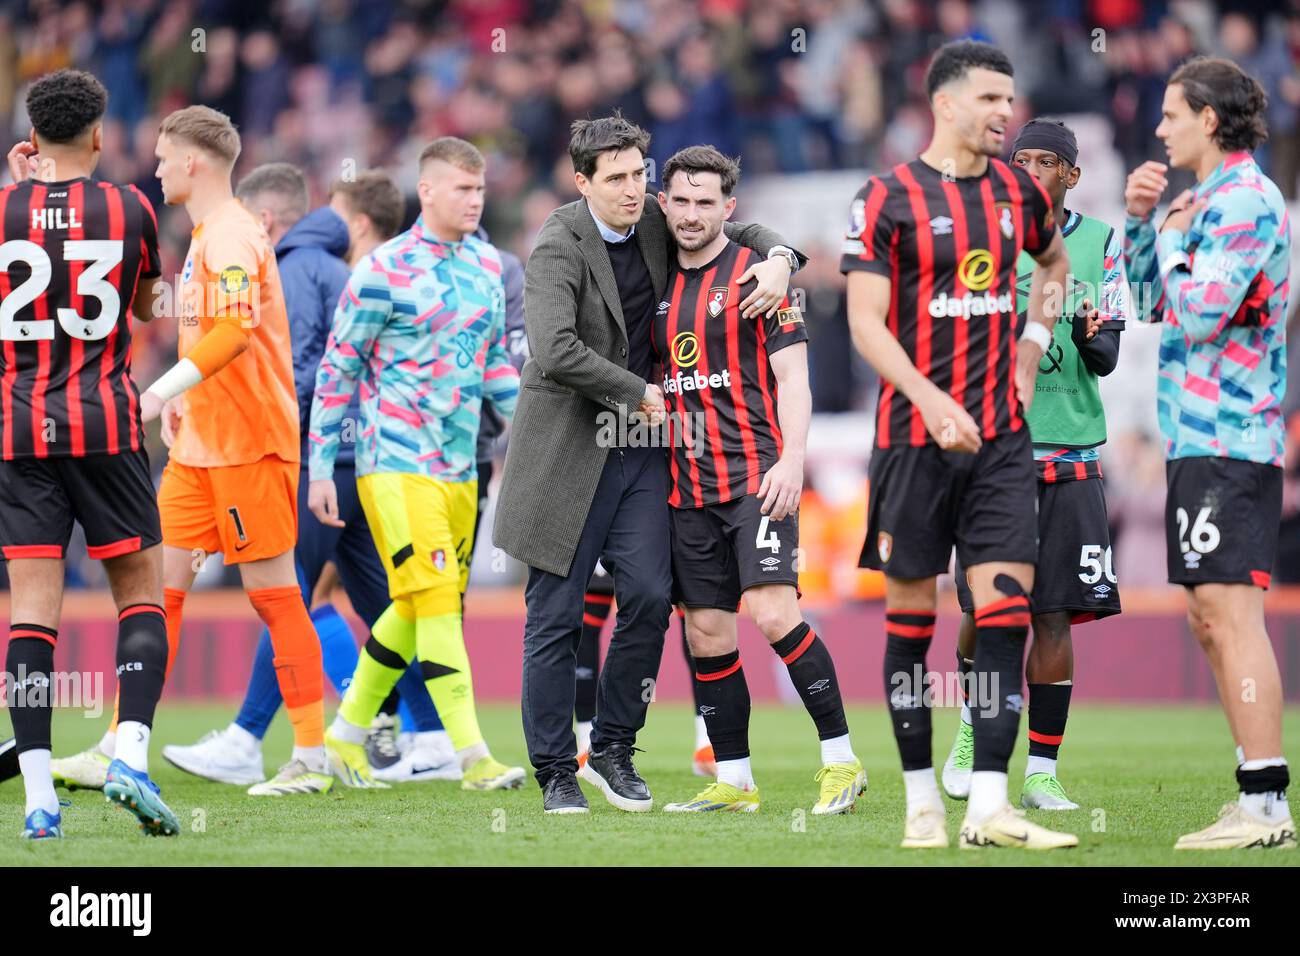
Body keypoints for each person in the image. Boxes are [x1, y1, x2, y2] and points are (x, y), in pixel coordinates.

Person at [493, 112, 802, 815]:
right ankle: (554, 772)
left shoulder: (657, 220)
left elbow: (739, 227)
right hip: (568, 452)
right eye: (619, 179)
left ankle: (612, 749)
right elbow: (552, 348)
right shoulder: (557, 243)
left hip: (639, 451)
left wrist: (782, 257)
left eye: (642, 175)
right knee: (556, 615)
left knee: (651, 597)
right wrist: (641, 391)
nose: (638, 191)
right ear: (582, 182)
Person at [842, 40, 1077, 850]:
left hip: (1002, 443)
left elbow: (1054, 261)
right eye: (990, 100)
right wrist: (930, 398)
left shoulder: (1019, 191)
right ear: (944, 104)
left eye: (1010, 101)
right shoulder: (888, 197)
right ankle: (920, 805)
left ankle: (988, 805)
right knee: (913, 617)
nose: (1005, 115)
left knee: (1005, 609)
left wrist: (1031, 348)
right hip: (912, 440)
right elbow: (864, 323)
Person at [159, 166, 458, 789]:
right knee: (382, 600)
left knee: (292, 595)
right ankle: (429, 733)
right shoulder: (349, 270)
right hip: (364, 456)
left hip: (314, 457)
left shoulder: (292, 267)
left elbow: (293, 371)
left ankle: (253, 737)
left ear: (267, 223)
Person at [308, 137, 524, 791]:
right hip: (394, 461)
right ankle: (471, 756)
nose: (474, 199)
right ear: (425, 192)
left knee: (411, 602)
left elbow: (490, 364)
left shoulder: (490, 267)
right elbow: (337, 370)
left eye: (479, 189)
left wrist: (531, 427)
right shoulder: (381, 271)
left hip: (461, 468)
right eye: (462, 188)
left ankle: (344, 738)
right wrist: (321, 466)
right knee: (435, 604)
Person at [651, 145, 862, 814]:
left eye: (705, 202)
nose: (691, 214)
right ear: (664, 204)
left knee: (773, 613)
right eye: (680, 201)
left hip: (755, 477)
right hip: (686, 488)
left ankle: (842, 761)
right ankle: (735, 780)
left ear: (729, 209)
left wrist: (793, 459)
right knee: (707, 633)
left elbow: (794, 377)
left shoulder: (762, 278)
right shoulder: (651, 282)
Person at [1123, 56, 1294, 850]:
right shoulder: (1205, 203)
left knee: (1230, 612)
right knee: (1207, 615)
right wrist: (1139, 225)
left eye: (1170, 114)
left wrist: (1174, 235)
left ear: (1209, 120)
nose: (1159, 129)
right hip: (1199, 435)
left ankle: (1265, 803)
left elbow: (1198, 313)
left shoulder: (1247, 203)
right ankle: (1252, 789)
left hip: (1233, 434)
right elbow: (1154, 303)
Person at [0, 69, 176, 839]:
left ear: (30, 139)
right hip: (106, 424)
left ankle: (39, 796)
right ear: (100, 135)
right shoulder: (132, 207)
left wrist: (25, 200)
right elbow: (145, 305)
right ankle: (130, 755)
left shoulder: (1, 212)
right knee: (139, 594)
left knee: (32, 615)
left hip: (20, 430)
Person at [143, 105, 330, 793]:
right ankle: (120, 742)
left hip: (251, 445)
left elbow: (233, 335)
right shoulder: (204, 235)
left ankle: (309, 757)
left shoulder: (230, 235)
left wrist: (160, 390)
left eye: (164, 156)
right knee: (155, 595)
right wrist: (187, 401)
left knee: (274, 597)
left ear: (192, 161)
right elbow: (206, 343)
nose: (157, 167)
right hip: (199, 448)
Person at [942, 119, 1127, 811]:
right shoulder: (979, 240)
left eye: (1043, 161)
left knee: (1051, 618)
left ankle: (1042, 773)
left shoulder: (1101, 244)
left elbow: (1106, 357)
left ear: (1071, 175)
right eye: (1017, 160)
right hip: (994, 457)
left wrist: (1084, 325)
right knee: (982, 610)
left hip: (1071, 453)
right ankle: (970, 726)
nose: (1026, 172)